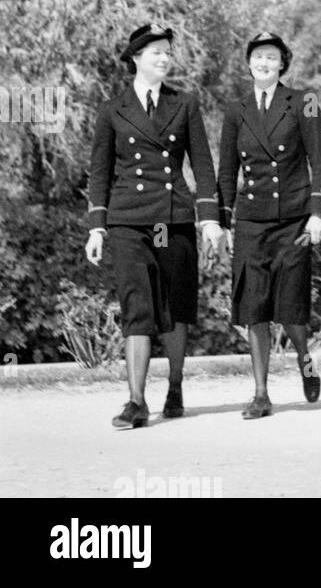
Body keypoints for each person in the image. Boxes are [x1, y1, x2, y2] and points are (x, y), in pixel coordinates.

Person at [85, 23, 225, 429]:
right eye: (155, 52)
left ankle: (176, 385)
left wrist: (210, 218)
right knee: (137, 307)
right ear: (135, 58)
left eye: (167, 52)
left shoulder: (184, 104)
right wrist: (98, 227)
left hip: (172, 216)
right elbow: (99, 172)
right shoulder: (112, 109)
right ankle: (135, 401)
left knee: (176, 305)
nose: (164, 58)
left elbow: (202, 163)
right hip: (129, 220)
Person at [217, 30, 321, 419]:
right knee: (254, 307)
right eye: (258, 57)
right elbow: (227, 170)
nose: (264, 64)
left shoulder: (305, 102)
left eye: (272, 58)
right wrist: (224, 222)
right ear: (248, 63)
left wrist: (319, 213)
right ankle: (261, 393)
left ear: (283, 63)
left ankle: (304, 357)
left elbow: (320, 160)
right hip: (251, 219)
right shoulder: (236, 109)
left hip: (293, 217)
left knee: (290, 306)